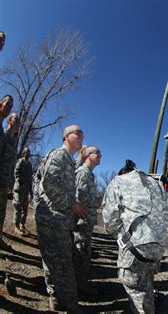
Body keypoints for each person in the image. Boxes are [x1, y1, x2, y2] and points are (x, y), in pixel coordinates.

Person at [101, 159, 168, 313]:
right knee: (145, 281)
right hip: (158, 246)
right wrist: (154, 231)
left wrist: (121, 237)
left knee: (135, 289)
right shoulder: (156, 184)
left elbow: (109, 218)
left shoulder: (118, 182)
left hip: (135, 246)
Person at [35, 125, 88, 312]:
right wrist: (72, 204)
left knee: (53, 260)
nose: (81, 136)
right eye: (78, 133)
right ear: (66, 136)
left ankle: (55, 297)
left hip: (59, 218)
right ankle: (71, 305)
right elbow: (49, 184)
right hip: (51, 218)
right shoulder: (59, 155)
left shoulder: (69, 160)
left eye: (82, 134)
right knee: (63, 262)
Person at [72, 145, 101, 295]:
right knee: (81, 252)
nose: (100, 155)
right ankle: (78, 284)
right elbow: (77, 198)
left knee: (83, 252)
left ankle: (80, 281)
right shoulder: (83, 173)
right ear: (89, 155)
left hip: (86, 220)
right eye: (97, 153)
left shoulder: (89, 174)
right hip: (81, 221)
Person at [0, 98, 18, 250]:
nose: (17, 123)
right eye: (15, 120)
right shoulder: (4, 134)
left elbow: (11, 163)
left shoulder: (13, 139)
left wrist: (10, 182)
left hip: (4, 181)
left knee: (1, 213)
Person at [12, 147, 33, 236]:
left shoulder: (29, 164)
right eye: (27, 152)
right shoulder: (20, 161)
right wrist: (21, 181)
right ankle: (16, 226)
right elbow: (16, 173)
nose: (28, 153)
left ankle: (22, 225)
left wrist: (30, 189)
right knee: (18, 208)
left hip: (26, 190)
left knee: (25, 209)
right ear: (24, 153)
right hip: (20, 189)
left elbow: (30, 178)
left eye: (29, 152)